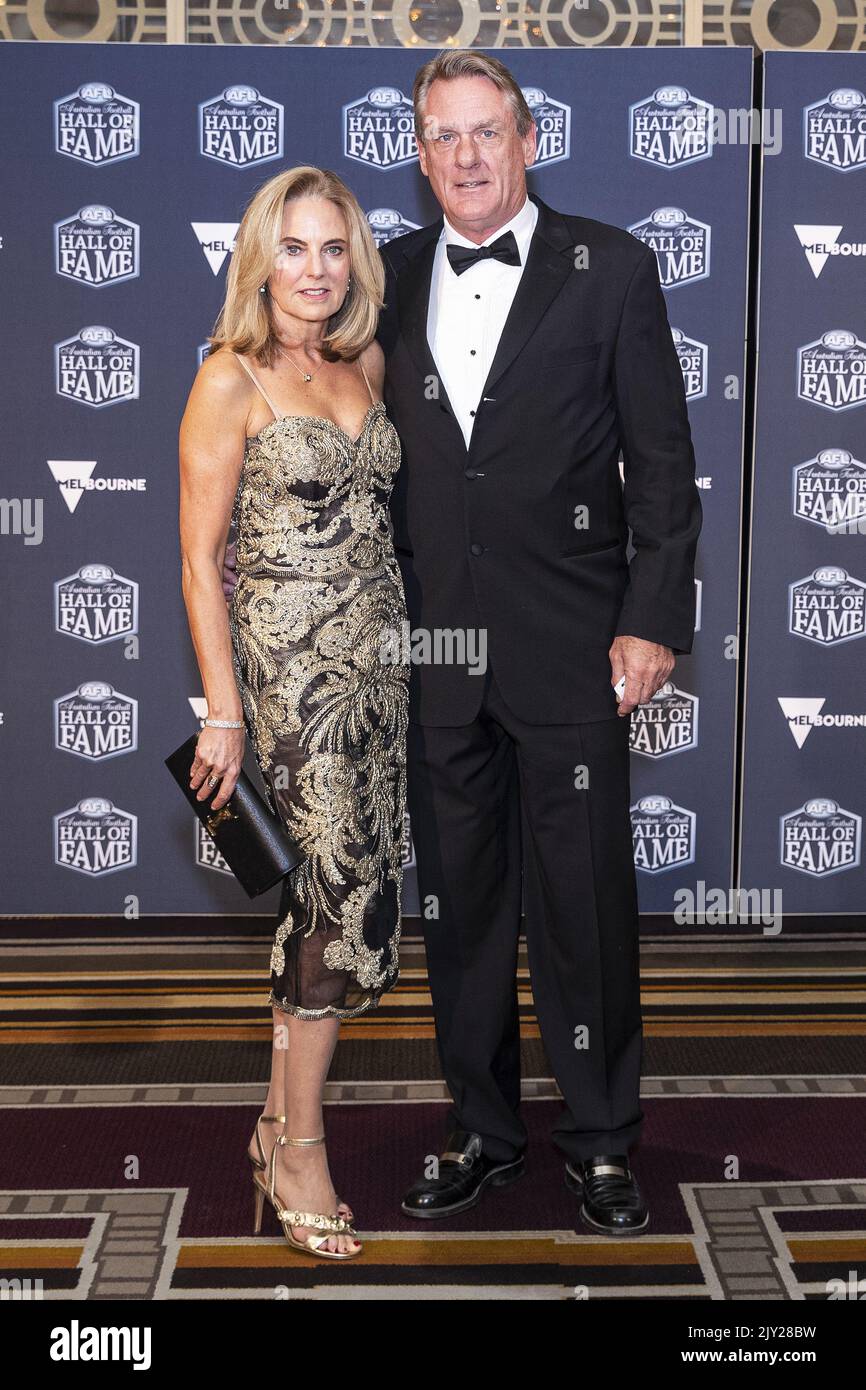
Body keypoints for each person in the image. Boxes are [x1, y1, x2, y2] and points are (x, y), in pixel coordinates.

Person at [225, 49, 703, 1237]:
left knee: (584, 904)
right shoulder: (376, 278)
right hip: (426, 662)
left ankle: (597, 1142)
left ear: (529, 138)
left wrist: (651, 619)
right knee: (466, 910)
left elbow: (664, 464)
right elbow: (320, 445)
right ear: (421, 153)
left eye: (486, 131)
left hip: (574, 646)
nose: (467, 156)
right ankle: (481, 1129)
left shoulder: (610, 269)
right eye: (443, 136)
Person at [179, 166, 409, 1259]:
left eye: (332, 248)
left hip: (377, 676)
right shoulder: (229, 378)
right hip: (287, 694)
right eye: (295, 247)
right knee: (324, 910)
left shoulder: (361, 359)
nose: (314, 270)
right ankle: (302, 1142)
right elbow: (197, 558)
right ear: (260, 257)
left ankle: (272, 1123)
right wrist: (222, 713)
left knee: (337, 903)